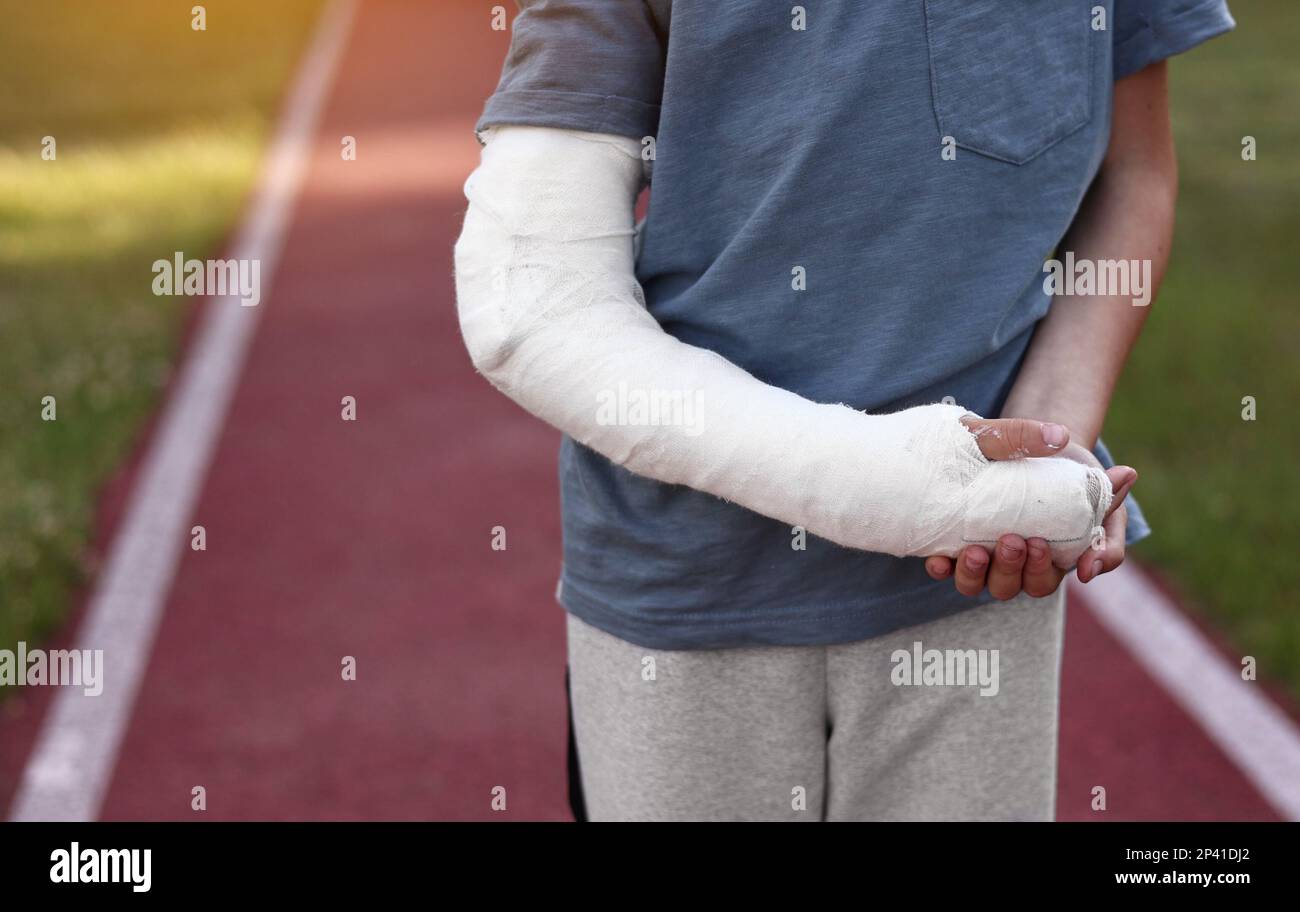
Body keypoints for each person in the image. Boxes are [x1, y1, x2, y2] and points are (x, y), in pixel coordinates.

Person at [455, 0, 1235, 821]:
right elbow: (533, 305)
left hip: (980, 579)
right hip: (688, 595)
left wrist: (1051, 441)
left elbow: (1135, 172)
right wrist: (893, 488)